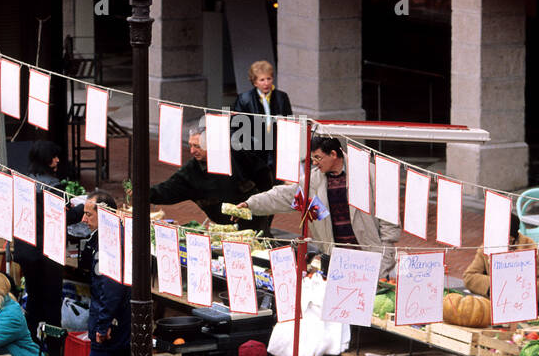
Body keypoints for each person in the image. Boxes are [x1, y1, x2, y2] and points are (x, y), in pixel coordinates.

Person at [241, 136, 401, 279]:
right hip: (334, 257)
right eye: (312, 158)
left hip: (370, 255)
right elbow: (282, 196)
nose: (314, 163)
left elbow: (389, 220)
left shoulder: (371, 174)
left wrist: (385, 256)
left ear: (333, 154)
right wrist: (250, 205)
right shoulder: (313, 181)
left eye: (318, 157)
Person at [12, 141, 83, 356]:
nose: (57, 160)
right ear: (46, 159)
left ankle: (32, 346)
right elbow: (62, 217)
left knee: (33, 299)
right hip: (47, 254)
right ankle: (54, 351)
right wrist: (82, 208)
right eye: (54, 156)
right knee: (52, 304)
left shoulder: (23, 181)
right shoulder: (53, 185)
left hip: (25, 250)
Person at [150, 127, 272, 231]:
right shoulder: (191, 171)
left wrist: (265, 208)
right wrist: (143, 193)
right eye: (191, 145)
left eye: (197, 146)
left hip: (255, 222)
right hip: (223, 228)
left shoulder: (237, 156)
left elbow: (264, 177)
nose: (192, 151)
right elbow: (167, 190)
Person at [77, 192, 132, 356]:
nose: (84, 219)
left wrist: (103, 324)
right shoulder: (117, 234)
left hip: (111, 325)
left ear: (104, 215)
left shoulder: (109, 242)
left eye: (88, 214)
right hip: (124, 320)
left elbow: (111, 287)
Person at [462, 212, 539, 302]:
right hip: (495, 302)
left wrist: (524, 290)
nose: (505, 243)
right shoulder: (488, 247)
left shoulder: (530, 246)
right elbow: (469, 277)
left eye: (509, 240)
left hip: (524, 301)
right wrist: (498, 285)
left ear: (514, 237)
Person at [232, 60, 293, 172]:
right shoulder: (244, 99)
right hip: (254, 150)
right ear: (255, 82)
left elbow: (289, 122)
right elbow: (237, 127)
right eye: (262, 80)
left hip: (277, 148)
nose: (266, 83)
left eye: (269, 79)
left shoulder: (282, 97)